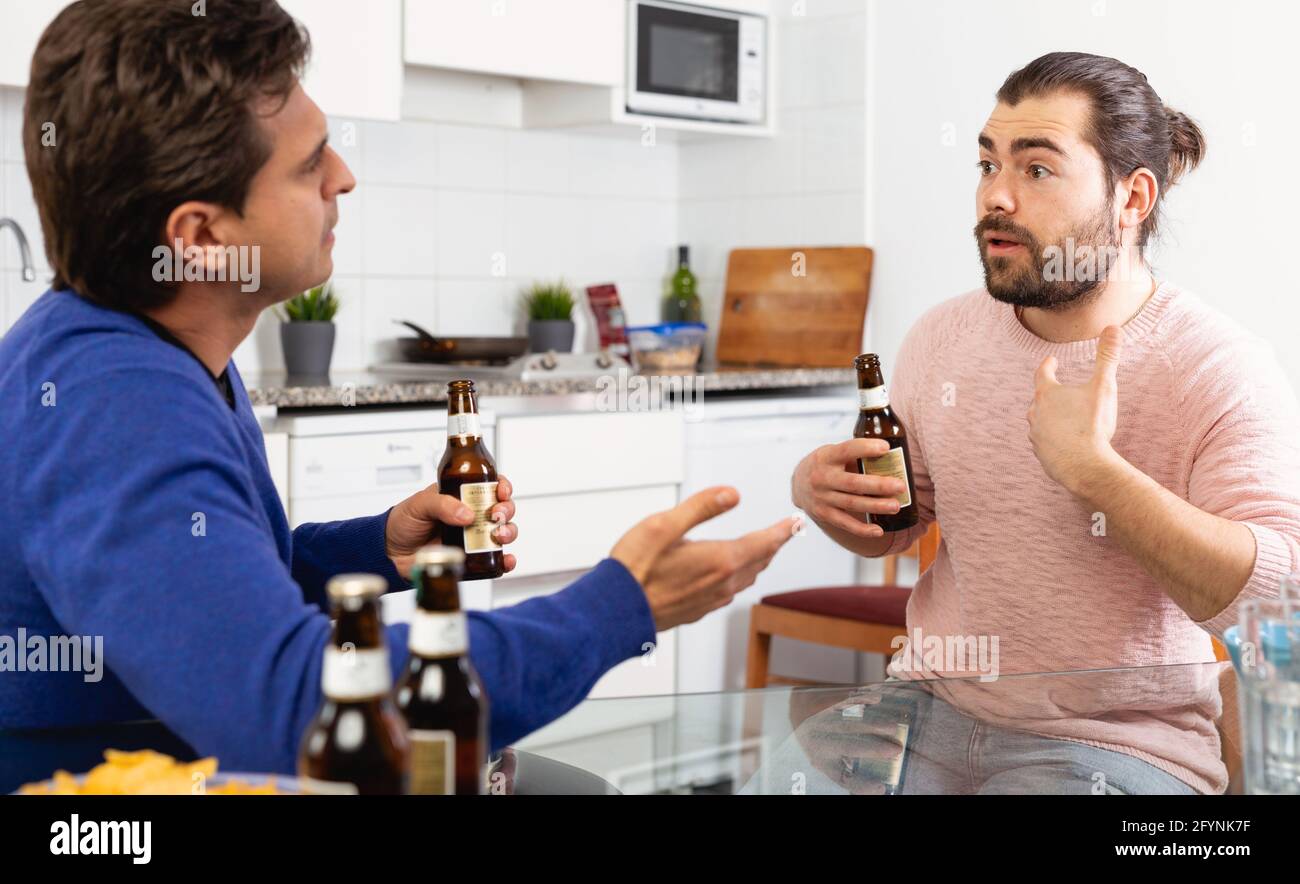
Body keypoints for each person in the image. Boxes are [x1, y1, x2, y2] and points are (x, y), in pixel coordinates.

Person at [0, 0, 795, 789]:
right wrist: (621, 608)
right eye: (311, 165)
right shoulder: (114, 406)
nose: (345, 176)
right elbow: (300, 710)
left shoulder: (155, 348)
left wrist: (375, 549)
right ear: (203, 238)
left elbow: (212, 604)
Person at [790, 51, 1300, 793]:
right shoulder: (940, 339)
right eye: (986, 164)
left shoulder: (1216, 365)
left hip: (1117, 748)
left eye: (1036, 170)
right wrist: (826, 496)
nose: (995, 197)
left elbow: (1277, 606)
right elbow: (896, 526)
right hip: (925, 709)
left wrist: (1098, 475)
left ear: (1132, 199)